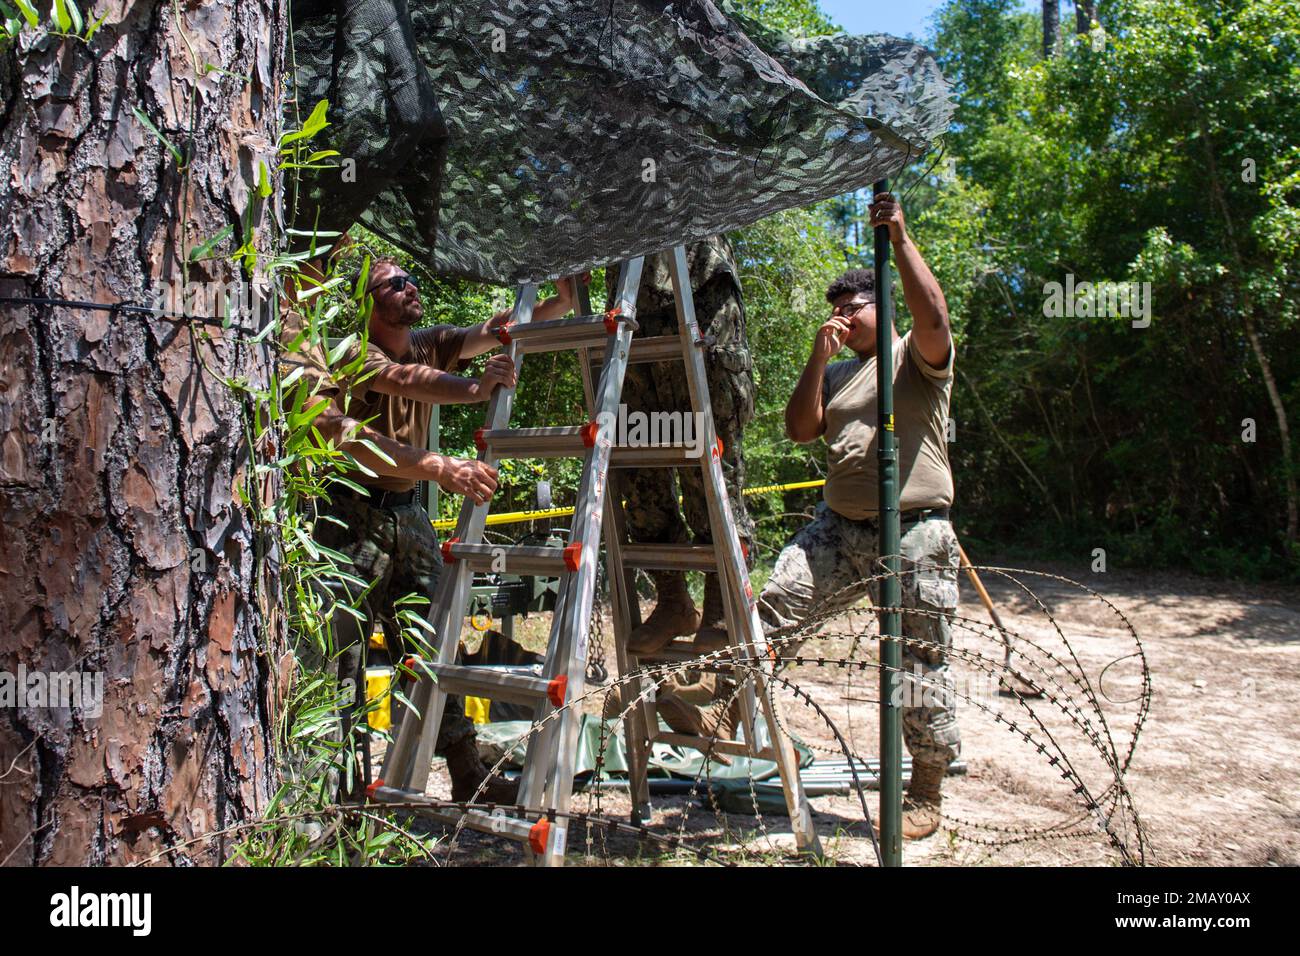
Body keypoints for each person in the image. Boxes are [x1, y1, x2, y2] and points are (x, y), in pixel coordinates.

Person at [311, 257, 583, 803]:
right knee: (345, 659)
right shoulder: (353, 354)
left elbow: (504, 326)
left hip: (408, 517)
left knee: (434, 647)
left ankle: (468, 775)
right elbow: (409, 381)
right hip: (351, 518)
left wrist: (562, 286)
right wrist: (474, 392)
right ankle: (342, 798)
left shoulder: (430, 342)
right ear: (370, 302)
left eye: (410, 279)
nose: (411, 287)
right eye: (396, 283)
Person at [761, 192, 960, 839]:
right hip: (839, 528)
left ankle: (925, 783)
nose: (843, 315)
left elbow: (936, 317)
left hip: (914, 532)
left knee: (917, 664)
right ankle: (727, 713)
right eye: (837, 309)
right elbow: (799, 429)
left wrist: (899, 241)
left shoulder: (913, 356)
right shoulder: (839, 369)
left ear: (885, 306)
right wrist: (818, 355)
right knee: (772, 608)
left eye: (855, 306)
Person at [604, 236, 756, 739]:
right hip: (634, 304)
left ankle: (717, 603)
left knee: (706, 476)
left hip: (692, 291)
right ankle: (673, 600)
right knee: (639, 468)